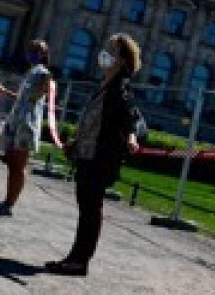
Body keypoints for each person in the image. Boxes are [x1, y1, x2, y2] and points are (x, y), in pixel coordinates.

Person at [44, 33, 142, 276]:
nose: (106, 53)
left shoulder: (121, 86)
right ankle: (75, 257)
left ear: (121, 60)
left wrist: (131, 137)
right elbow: (94, 123)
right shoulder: (104, 85)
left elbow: (130, 115)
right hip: (87, 154)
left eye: (112, 50)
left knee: (90, 208)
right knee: (85, 206)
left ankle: (80, 260)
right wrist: (75, 145)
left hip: (101, 158)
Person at [0, 40, 62, 216]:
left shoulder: (43, 73)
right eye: (32, 49)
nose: (34, 53)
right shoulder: (30, 73)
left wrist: (47, 83)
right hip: (17, 121)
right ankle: (6, 201)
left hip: (27, 124)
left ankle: (9, 204)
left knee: (18, 165)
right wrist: (4, 90)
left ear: (45, 54)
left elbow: (45, 94)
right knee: (12, 164)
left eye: (38, 50)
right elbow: (24, 98)